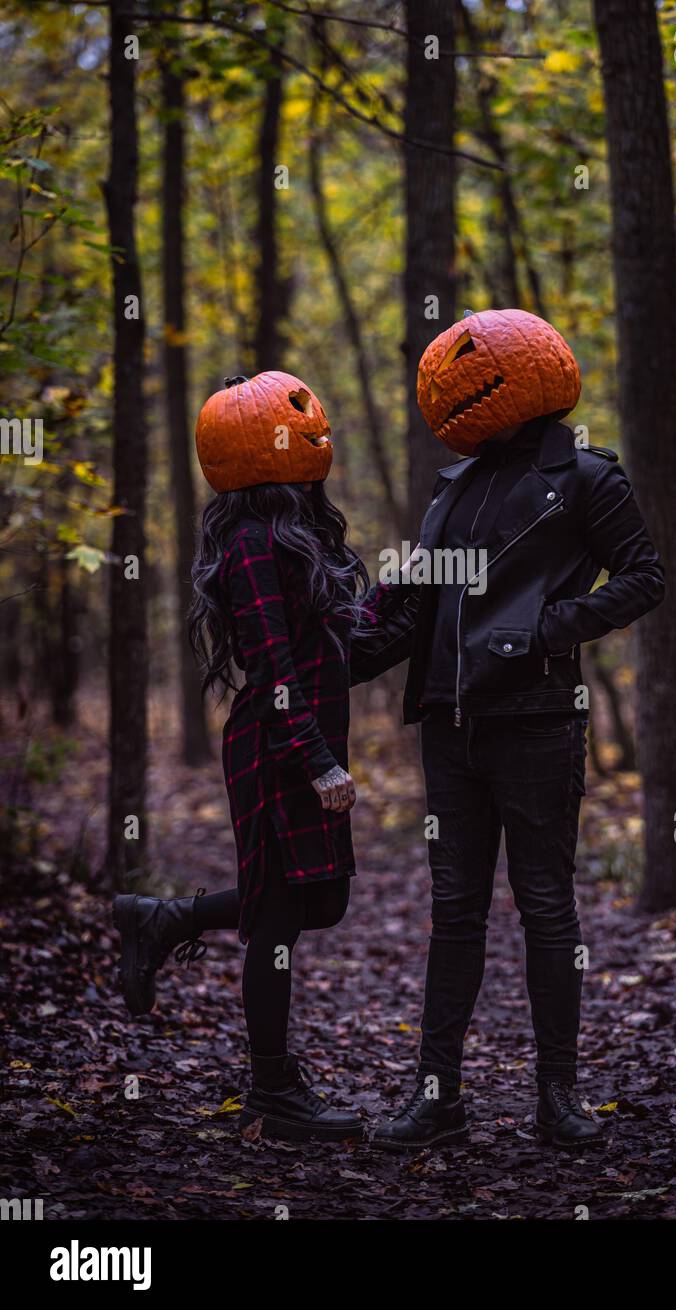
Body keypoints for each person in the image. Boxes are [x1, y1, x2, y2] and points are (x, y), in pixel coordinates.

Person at [351, 309, 666, 1151]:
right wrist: (347, 652)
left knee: (546, 907)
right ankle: (437, 1097)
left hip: (536, 722)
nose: (453, 376)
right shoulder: (452, 486)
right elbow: (424, 604)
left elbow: (646, 576)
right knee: (455, 913)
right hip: (450, 726)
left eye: (473, 362)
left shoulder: (591, 477)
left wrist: (553, 626)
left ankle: (557, 1098)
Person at [113, 370, 367, 1144]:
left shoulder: (298, 538)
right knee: (281, 916)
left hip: (301, 740)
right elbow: (275, 671)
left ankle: (168, 918)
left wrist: (411, 594)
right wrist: (320, 762)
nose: (311, 426)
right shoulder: (254, 546)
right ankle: (273, 1094)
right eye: (297, 419)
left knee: (320, 901)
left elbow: (342, 654)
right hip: (277, 745)